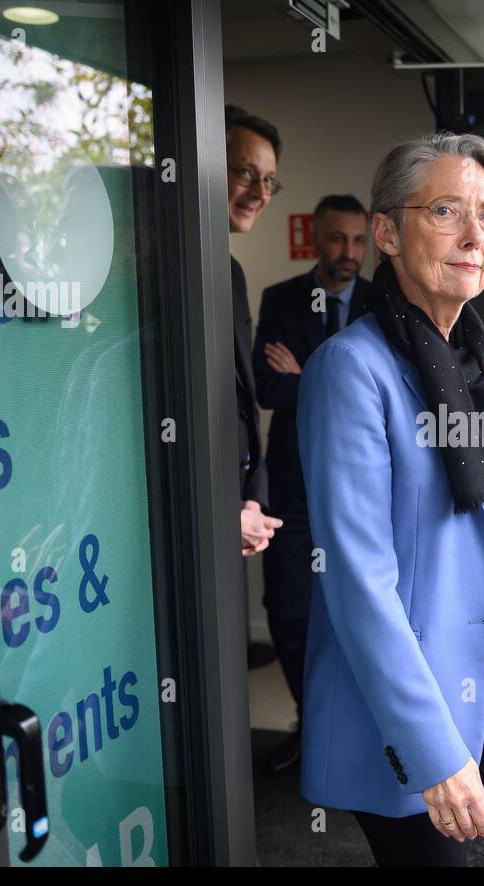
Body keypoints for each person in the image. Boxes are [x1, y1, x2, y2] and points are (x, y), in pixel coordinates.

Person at [296, 132, 484, 866]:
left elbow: (482, 504)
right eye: (447, 211)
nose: (474, 236)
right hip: (406, 678)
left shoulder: (466, 362)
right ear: (388, 232)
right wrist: (432, 749)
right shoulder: (351, 370)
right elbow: (359, 581)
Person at [253, 194, 373, 773]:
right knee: (287, 606)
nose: (347, 253)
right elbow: (266, 389)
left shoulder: (384, 299)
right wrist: (331, 385)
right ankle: (315, 721)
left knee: (368, 607)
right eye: (336, 239)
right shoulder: (281, 299)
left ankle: (360, 731)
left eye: (357, 241)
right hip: (293, 487)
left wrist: (309, 374)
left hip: (366, 489)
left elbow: (389, 400)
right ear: (315, 239)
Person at [226, 105, 284, 649]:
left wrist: (249, 499)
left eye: (269, 180)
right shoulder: (154, 266)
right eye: (245, 173)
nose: (259, 192)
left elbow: (236, 402)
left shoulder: (229, 271)